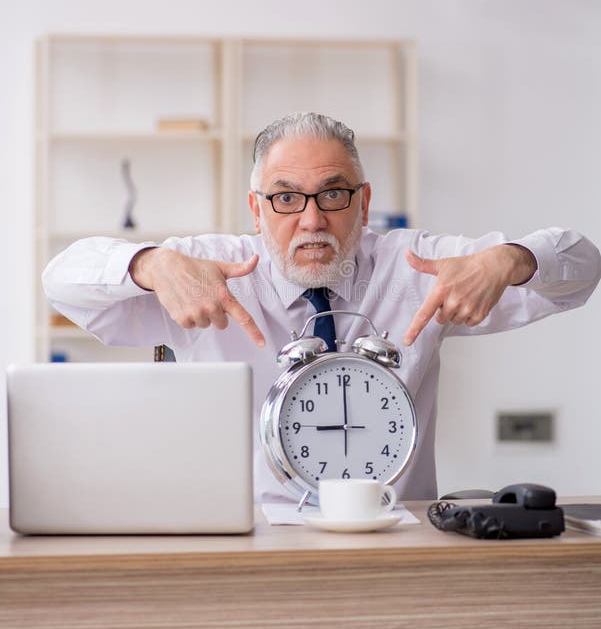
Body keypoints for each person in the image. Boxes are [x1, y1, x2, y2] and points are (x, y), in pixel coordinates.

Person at [43, 112, 601, 502]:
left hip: (393, 539)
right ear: (255, 211)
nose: (311, 221)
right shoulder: (209, 269)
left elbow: (582, 265)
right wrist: (149, 265)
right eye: (285, 198)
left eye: (333, 195)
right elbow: (61, 281)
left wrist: (511, 258)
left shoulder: (417, 265)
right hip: (247, 539)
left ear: (364, 203)